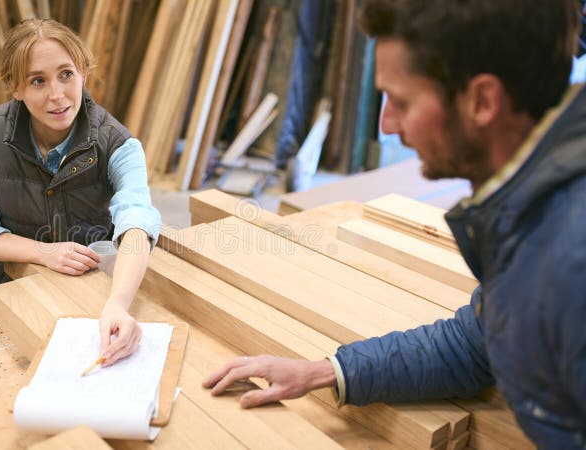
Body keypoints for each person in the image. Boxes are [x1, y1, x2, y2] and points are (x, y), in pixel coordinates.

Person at [203, 0, 586, 447]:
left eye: (401, 101)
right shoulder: (532, 217)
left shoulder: (568, 265)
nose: (387, 125)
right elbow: (474, 343)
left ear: (483, 100)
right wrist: (324, 373)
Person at [0, 18, 161, 367]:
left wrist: (118, 304)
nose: (57, 95)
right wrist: (43, 252)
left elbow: (137, 221)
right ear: (15, 87)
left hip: (92, 300)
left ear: (82, 74)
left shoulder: (117, 143)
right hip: (17, 297)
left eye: (66, 74)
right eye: (38, 81)